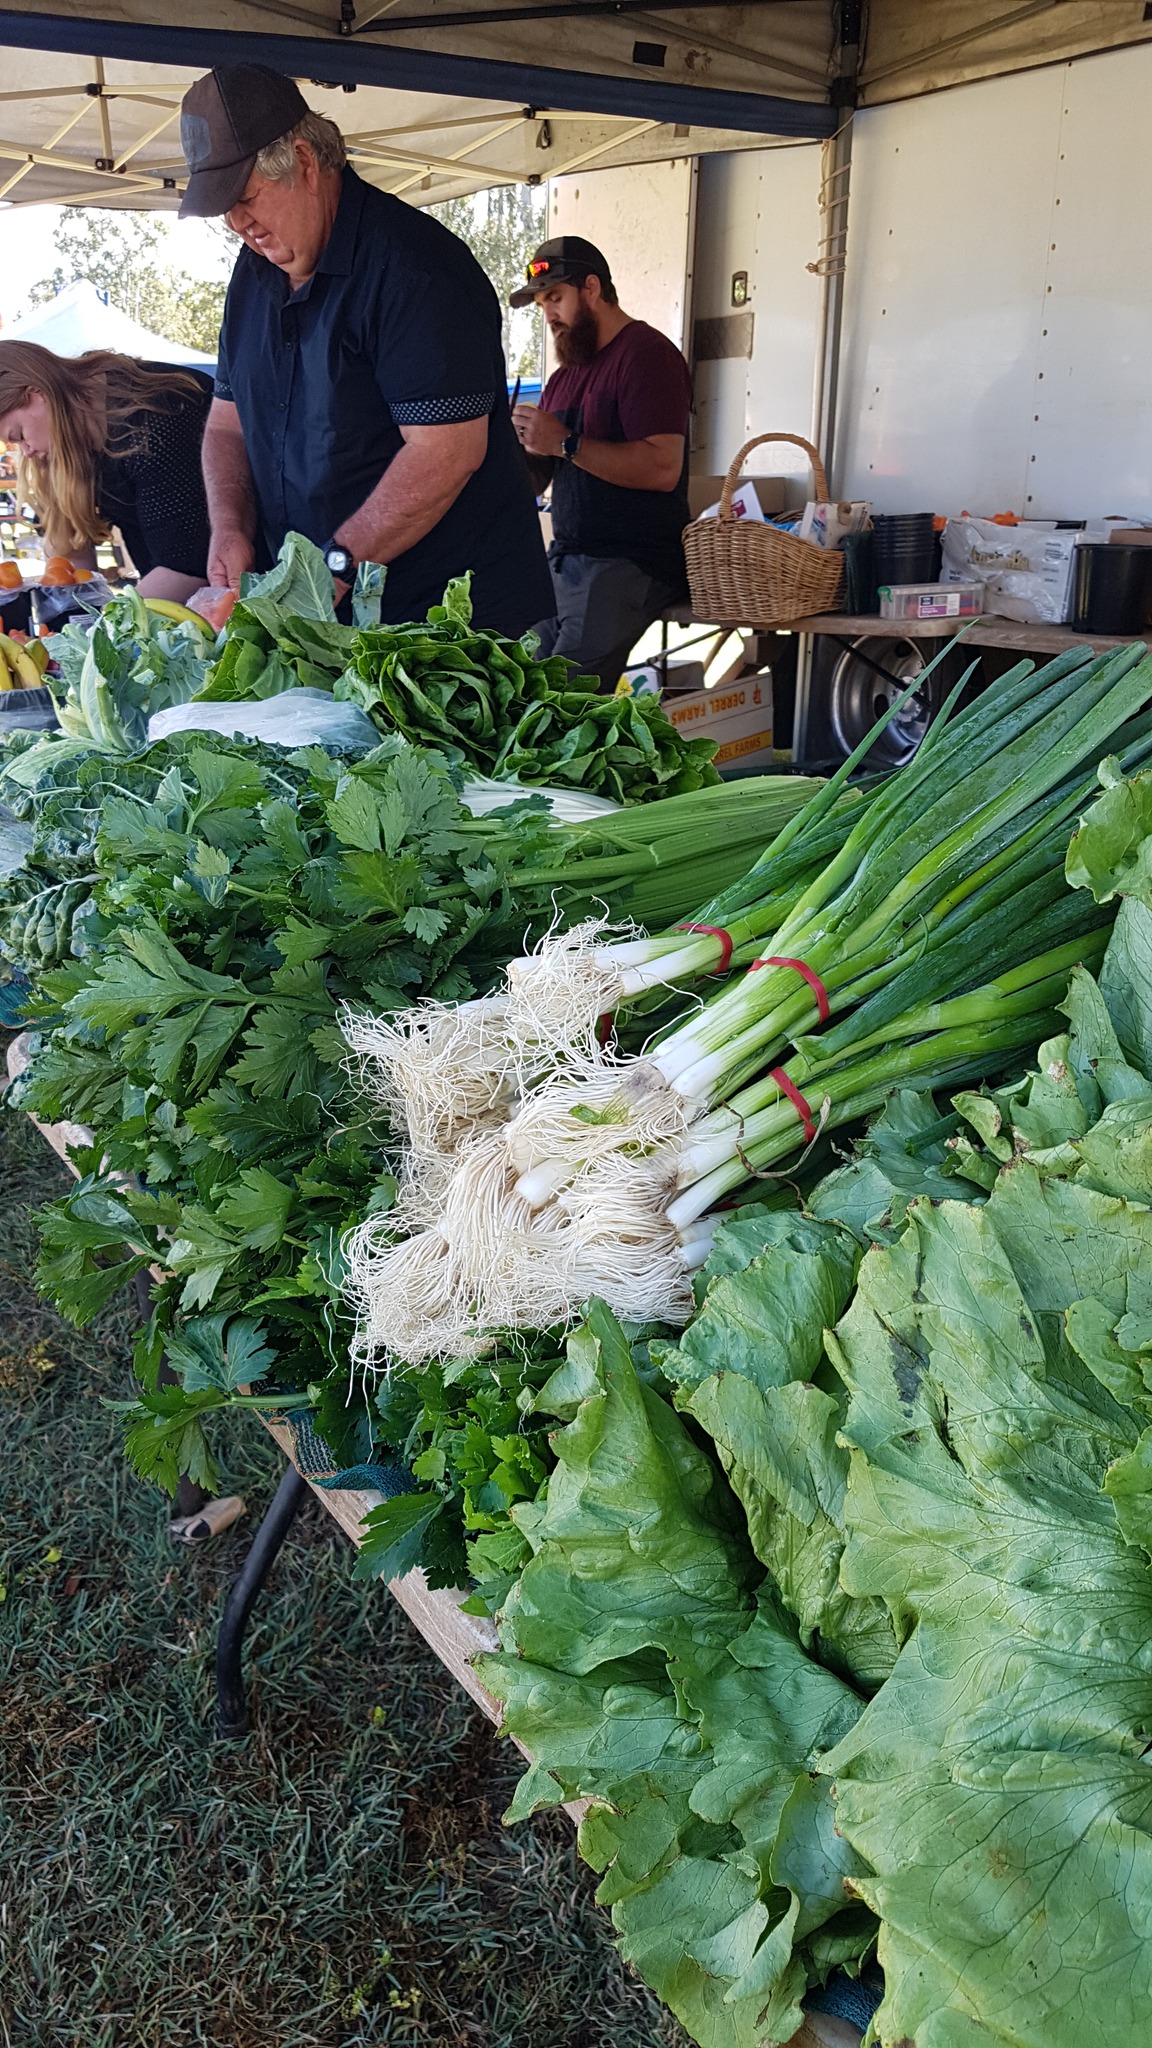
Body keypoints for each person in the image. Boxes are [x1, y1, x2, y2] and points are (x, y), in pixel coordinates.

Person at [178, 64, 552, 635]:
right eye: (223, 208)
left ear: (304, 161)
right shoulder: (253, 276)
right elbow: (227, 425)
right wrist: (229, 525)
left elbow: (444, 454)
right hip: (324, 614)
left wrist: (335, 563)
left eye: (245, 197)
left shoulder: (415, 268)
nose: (237, 223)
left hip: (448, 627)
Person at [510, 236, 693, 690]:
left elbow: (662, 469)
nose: (548, 315)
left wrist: (565, 442)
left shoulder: (647, 356)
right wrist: (508, 450)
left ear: (591, 289)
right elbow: (539, 478)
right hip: (568, 560)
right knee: (510, 674)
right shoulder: (564, 377)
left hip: (631, 561)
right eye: (541, 304)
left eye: (555, 297)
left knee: (559, 697)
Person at [0, 340, 213, 599]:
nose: (27, 451)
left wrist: (104, 631)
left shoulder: (153, 419)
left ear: (37, 394)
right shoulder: (76, 429)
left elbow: (186, 565)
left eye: (19, 435)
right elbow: (72, 562)